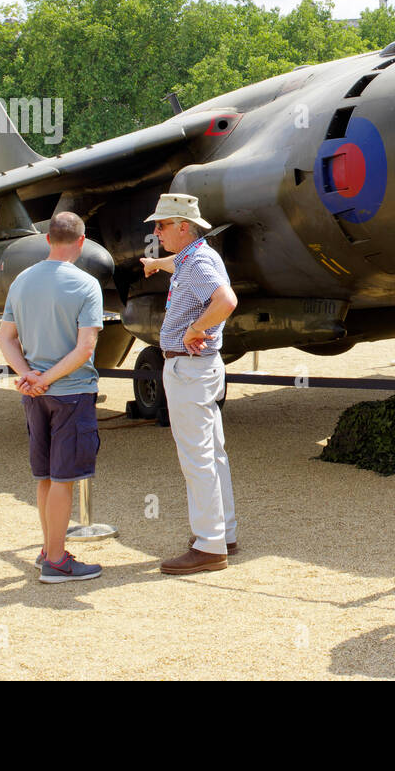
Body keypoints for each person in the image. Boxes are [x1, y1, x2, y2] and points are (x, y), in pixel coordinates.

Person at [0, 211, 104, 584]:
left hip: (33, 395)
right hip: (71, 393)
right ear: (82, 240)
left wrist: (28, 375)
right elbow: (84, 349)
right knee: (63, 480)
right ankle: (56, 560)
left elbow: (6, 338)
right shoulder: (87, 285)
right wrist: (46, 379)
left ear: (47, 239)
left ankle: (50, 547)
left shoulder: (21, 281)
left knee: (45, 477)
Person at [140, 194, 240, 575]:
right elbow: (177, 263)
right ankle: (222, 532)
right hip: (200, 367)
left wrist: (196, 329)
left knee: (196, 458)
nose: (156, 231)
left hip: (189, 368)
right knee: (212, 453)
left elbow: (225, 300)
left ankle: (210, 544)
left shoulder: (196, 260)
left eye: (162, 225)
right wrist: (155, 264)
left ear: (184, 226)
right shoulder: (195, 255)